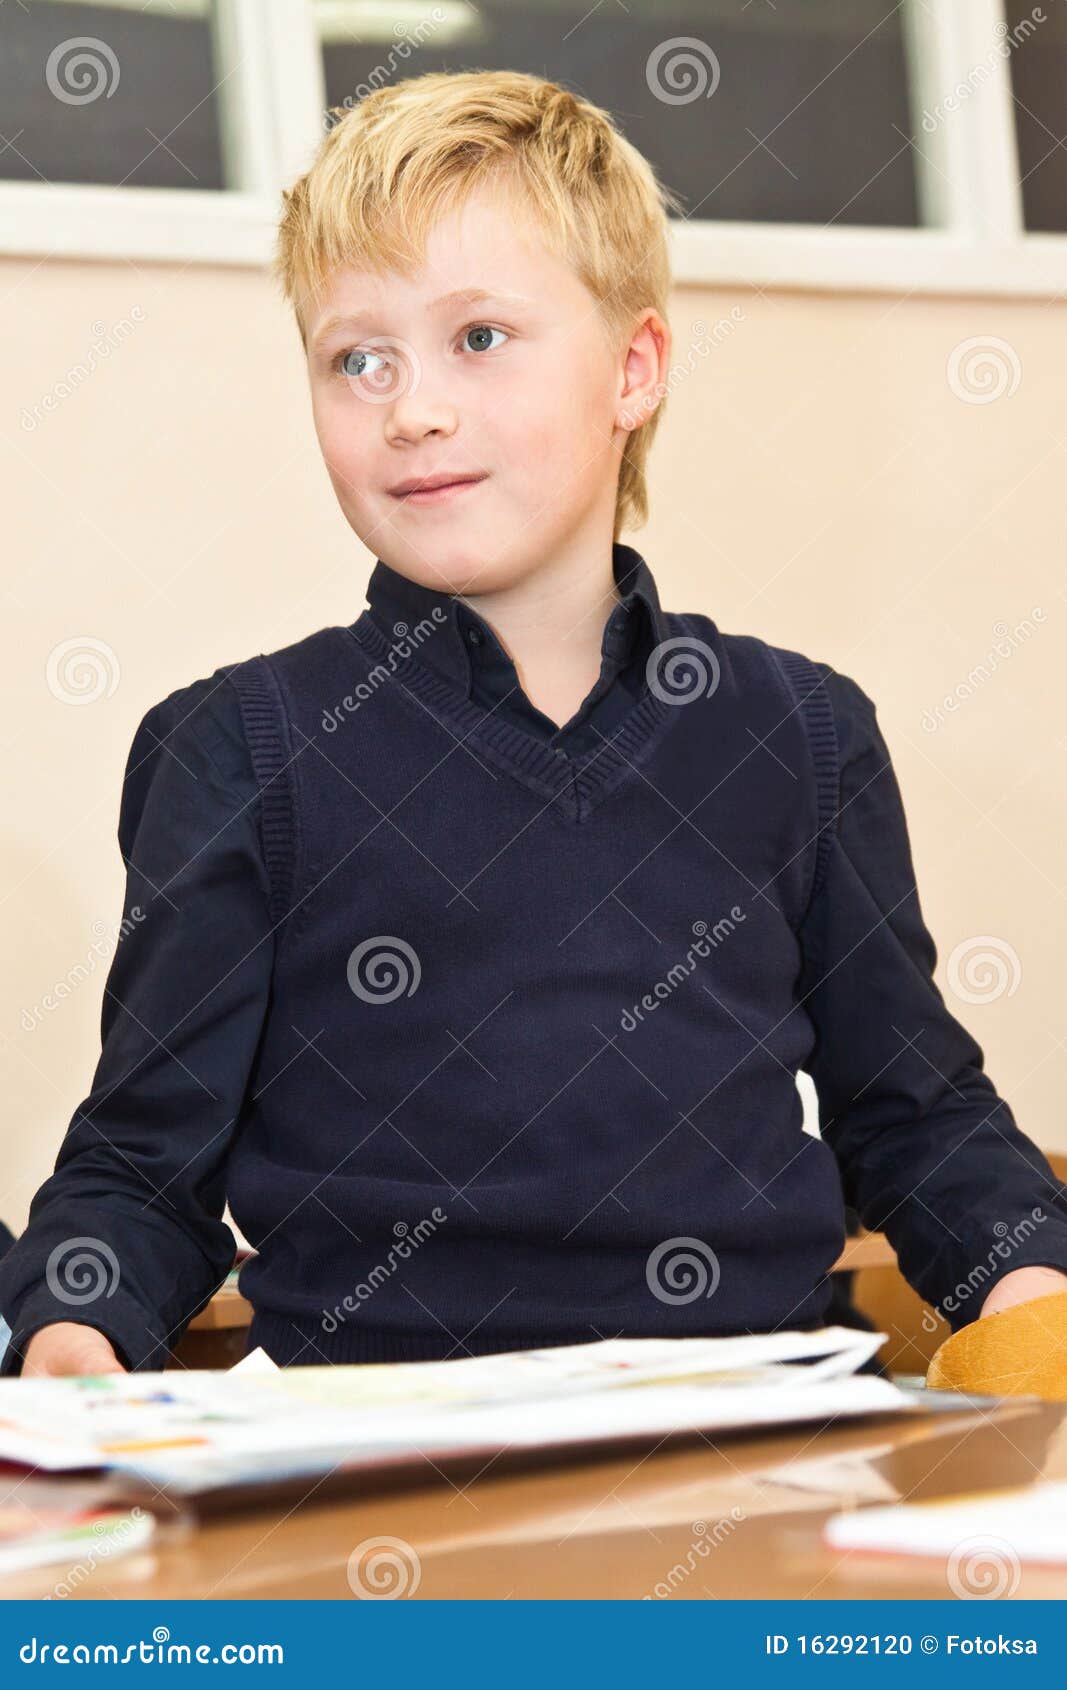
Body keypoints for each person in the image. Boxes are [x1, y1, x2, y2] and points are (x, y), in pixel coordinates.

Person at [4, 70, 1067, 1380]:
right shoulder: (237, 746)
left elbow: (919, 1116)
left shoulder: (801, 732)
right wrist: (68, 1339)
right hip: (380, 1485)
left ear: (633, 369)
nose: (414, 408)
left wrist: (1028, 1287)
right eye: (358, 359)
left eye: (479, 338)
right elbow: (138, 1167)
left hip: (760, 1445)